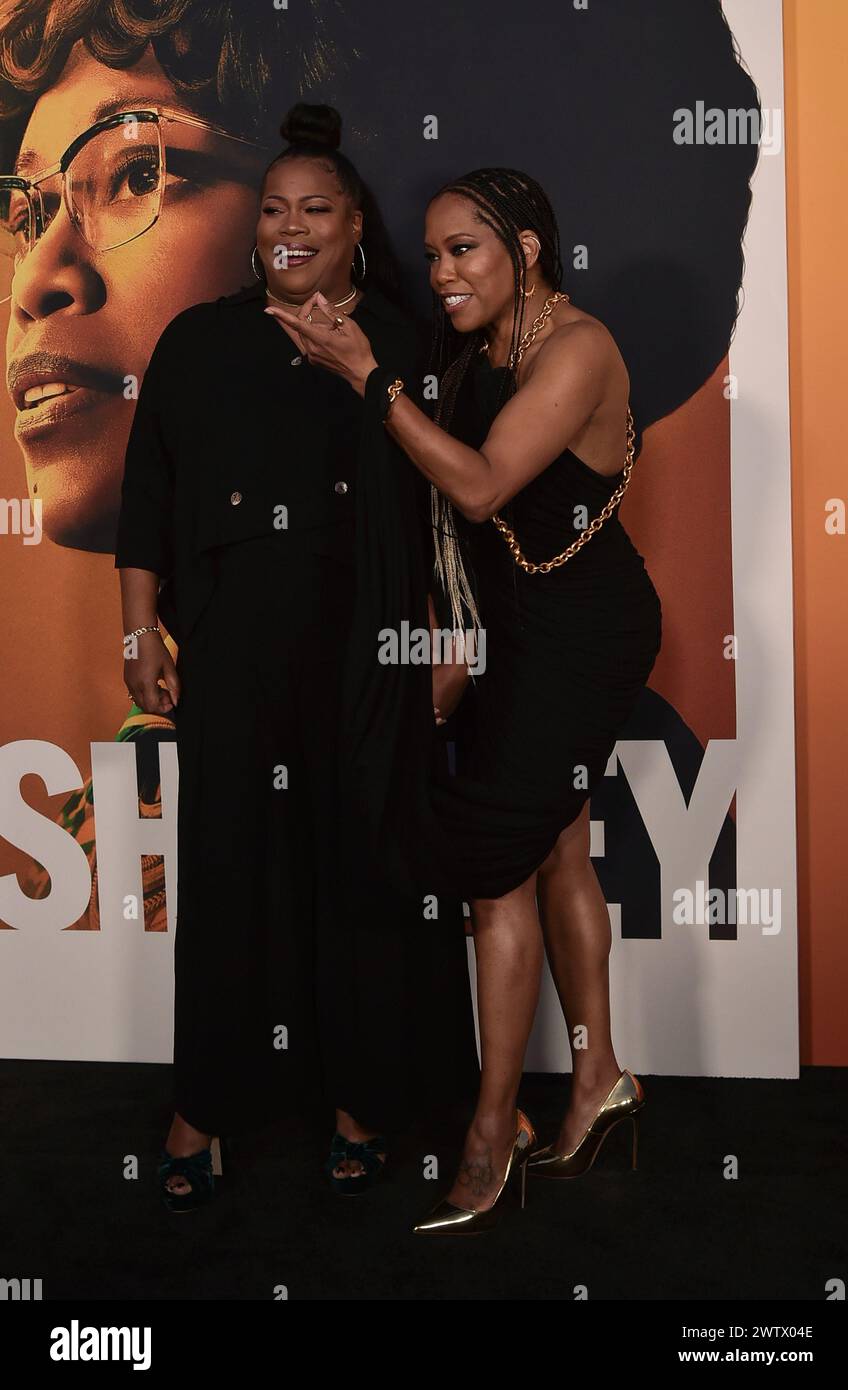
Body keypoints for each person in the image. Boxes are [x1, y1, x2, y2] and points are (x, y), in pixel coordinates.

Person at [262, 165, 663, 1235]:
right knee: (561, 852)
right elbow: (449, 529)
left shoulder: (578, 349)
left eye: (464, 250)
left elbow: (480, 487)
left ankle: (493, 1133)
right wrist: (453, 635)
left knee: (493, 872)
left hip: (583, 635)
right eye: (432, 253)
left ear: (525, 248)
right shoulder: (479, 348)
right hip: (511, 632)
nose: (442, 272)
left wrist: (367, 380)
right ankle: (596, 1082)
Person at [114, 103, 478, 1211]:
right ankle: (204, 1106)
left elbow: (463, 516)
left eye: (314, 208)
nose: (289, 225)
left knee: (367, 869)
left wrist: (450, 644)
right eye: (272, 208)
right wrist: (139, 628)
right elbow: (148, 503)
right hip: (229, 652)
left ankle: (361, 1101)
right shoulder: (197, 340)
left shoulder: (409, 346)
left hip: (373, 654)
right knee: (227, 871)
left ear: (355, 224)